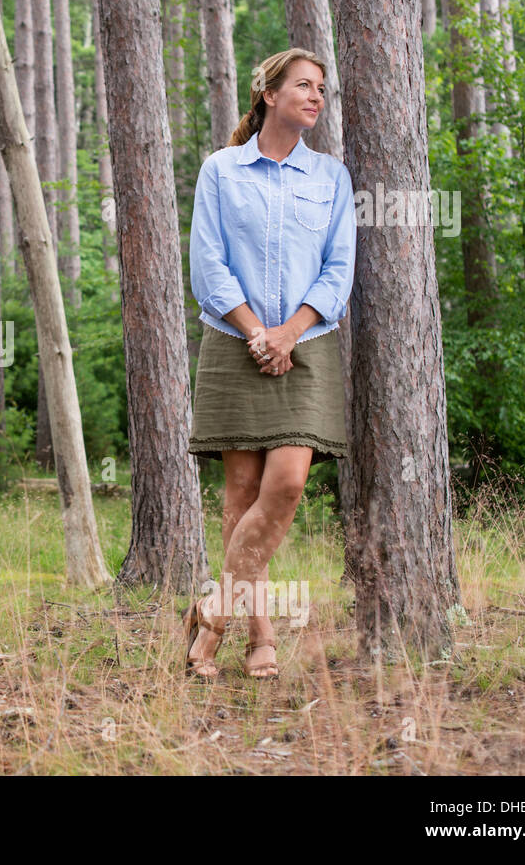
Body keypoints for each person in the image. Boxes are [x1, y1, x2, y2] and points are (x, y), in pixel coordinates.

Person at [183, 47, 357, 680]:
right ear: (269, 94)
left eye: (320, 88)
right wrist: (258, 333)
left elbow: (339, 271)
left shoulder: (331, 178)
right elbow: (208, 265)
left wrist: (288, 334)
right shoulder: (221, 171)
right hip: (233, 341)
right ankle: (260, 638)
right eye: (303, 86)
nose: (315, 96)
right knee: (240, 493)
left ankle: (213, 616)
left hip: (307, 346)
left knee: (285, 485)